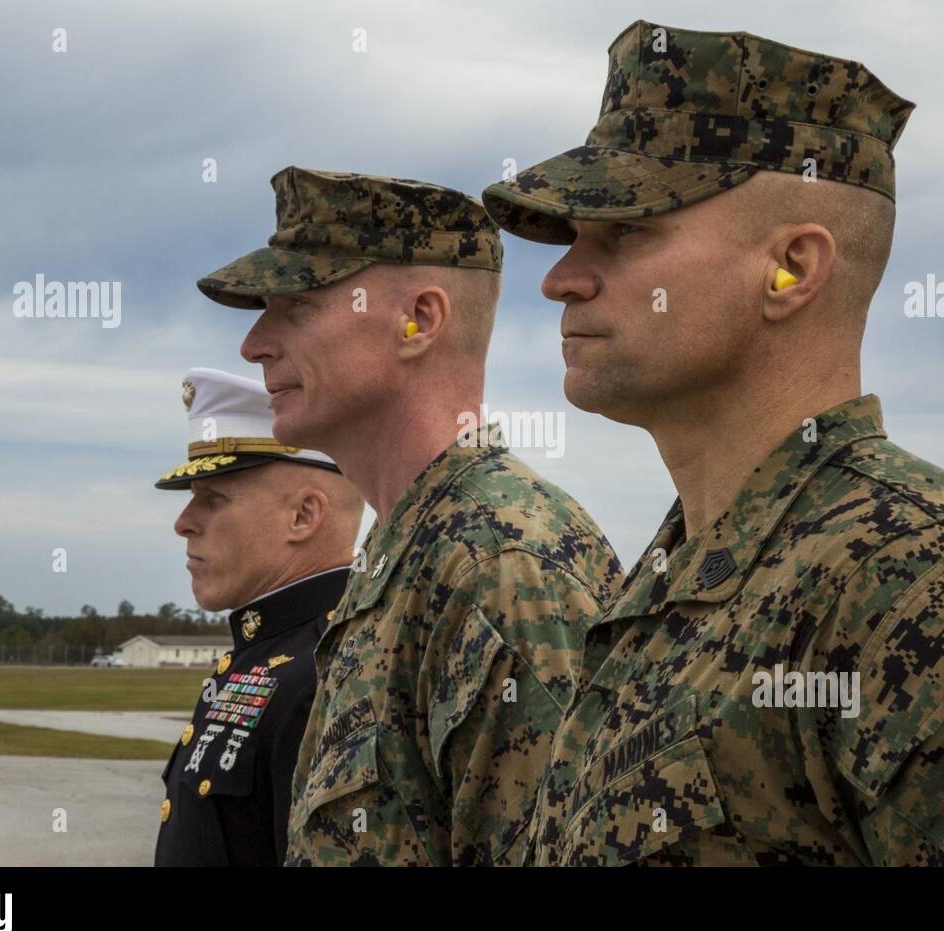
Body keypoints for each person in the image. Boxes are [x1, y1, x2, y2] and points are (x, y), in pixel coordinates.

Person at [481, 20, 944, 865]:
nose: (559, 278)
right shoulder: (670, 589)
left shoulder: (926, 585)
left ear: (793, 270)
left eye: (625, 232)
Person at [196, 167, 623, 865]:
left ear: (418, 321)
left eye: (297, 306)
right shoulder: (410, 554)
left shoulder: (500, 566)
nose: (255, 343)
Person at [153, 366, 363, 866]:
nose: (184, 523)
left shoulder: (329, 675)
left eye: (213, 499)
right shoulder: (270, 658)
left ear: (304, 516)